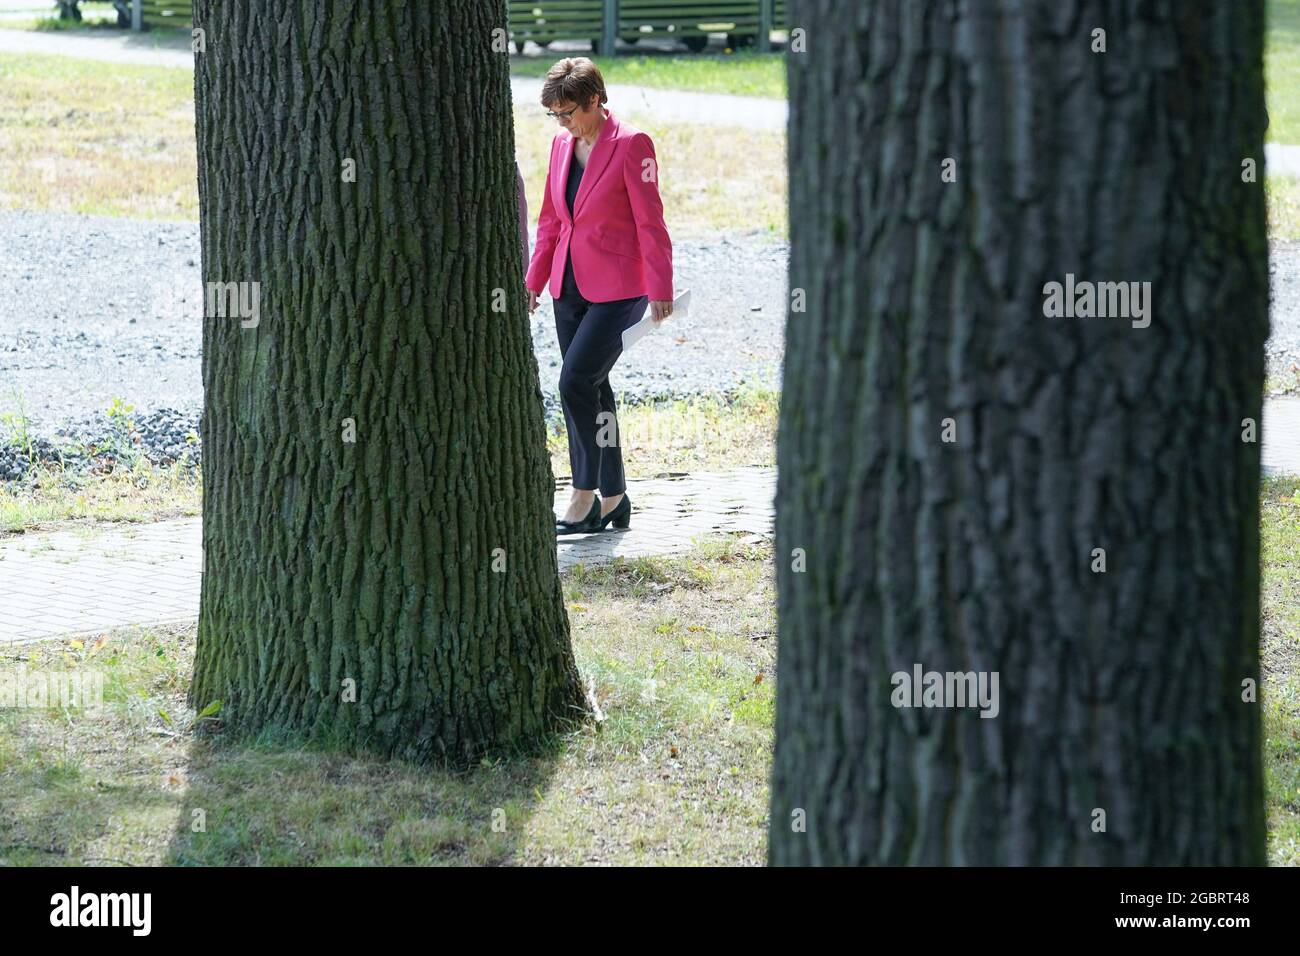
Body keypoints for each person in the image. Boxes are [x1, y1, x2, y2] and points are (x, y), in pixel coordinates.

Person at [525, 57, 674, 535]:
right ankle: (615, 499)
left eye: (569, 112)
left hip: (619, 289)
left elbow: (651, 221)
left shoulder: (632, 145)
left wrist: (661, 286)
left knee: (573, 382)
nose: (563, 123)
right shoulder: (560, 145)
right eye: (556, 116)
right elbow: (551, 219)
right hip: (568, 286)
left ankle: (583, 496)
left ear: (595, 100)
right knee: (593, 386)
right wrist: (534, 280)